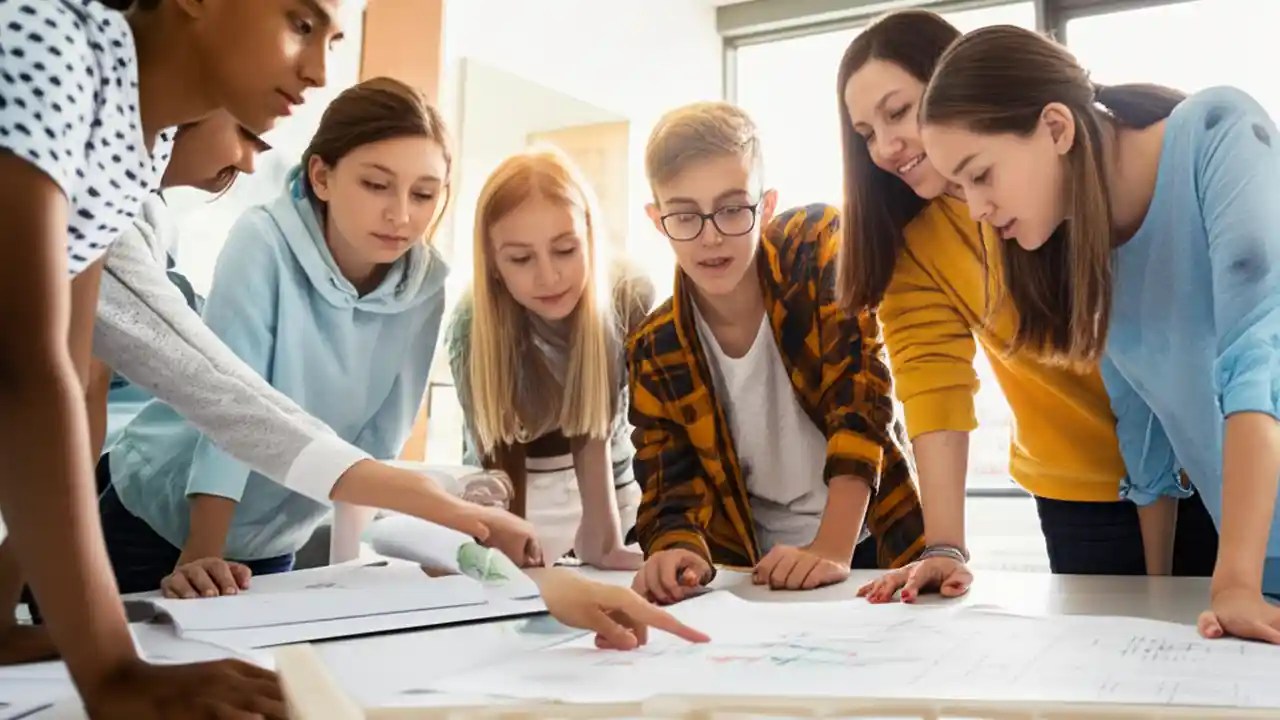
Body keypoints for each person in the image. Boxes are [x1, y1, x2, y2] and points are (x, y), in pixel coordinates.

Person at [0, 0, 347, 713]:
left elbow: (67, 367)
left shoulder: (139, 139)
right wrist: (113, 675)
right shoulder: (48, 42)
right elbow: (25, 373)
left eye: (331, 39)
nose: (317, 71)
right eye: (299, 23)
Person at [837, 10, 1219, 606]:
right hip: (1078, 492)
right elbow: (932, 383)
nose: (884, 147)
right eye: (864, 132)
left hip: (1209, 456)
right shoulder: (914, 244)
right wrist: (944, 546)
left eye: (897, 112)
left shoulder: (1064, 177)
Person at [917, 24, 1280, 643]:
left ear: (1055, 128)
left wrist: (1234, 582)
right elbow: (1144, 438)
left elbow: (1257, 362)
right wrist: (1158, 596)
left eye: (980, 175)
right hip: (1260, 572)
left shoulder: (1220, 131)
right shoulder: (1087, 245)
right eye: (959, 187)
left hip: (1248, 575)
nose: (974, 208)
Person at [628, 101, 926, 604]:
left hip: (870, 540)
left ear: (765, 207)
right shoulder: (655, 345)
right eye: (684, 215)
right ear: (657, 220)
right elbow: (669, 488)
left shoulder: (816, 247)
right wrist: (677, 551)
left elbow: (862, 399)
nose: (711, 235)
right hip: (751, 569)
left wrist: (831, 547)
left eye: (731, 208)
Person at [447, 148, 651, 571]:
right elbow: (497, 455)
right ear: (494, 265)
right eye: (521, 259)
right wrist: (512, 552)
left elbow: (591, 424)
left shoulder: (628, 295)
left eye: (565, 249)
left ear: (591, 240)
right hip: (510, 491)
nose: (548, 276)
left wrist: (605, 540)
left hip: (610, 493)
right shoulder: (471, 323)